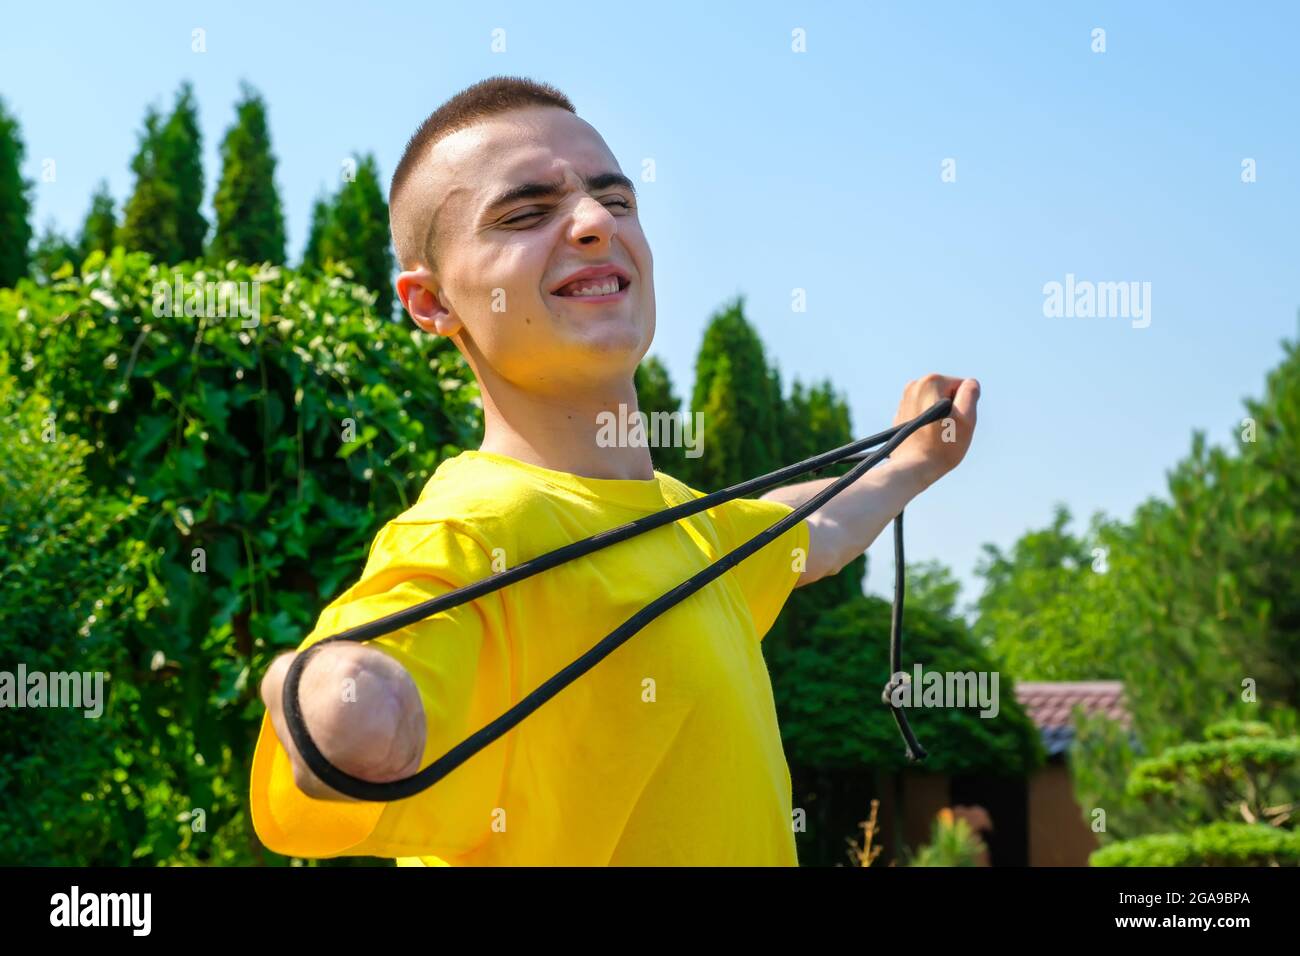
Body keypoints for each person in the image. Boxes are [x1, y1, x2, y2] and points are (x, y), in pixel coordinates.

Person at [252, 75, 980, 866]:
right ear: (431, 304)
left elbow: (817, 527)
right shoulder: (470, 531)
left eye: (617, 201)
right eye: (526, 214)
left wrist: (913, 461)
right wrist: (333, 700)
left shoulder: (691, 524)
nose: (596, 223)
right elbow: (361, 694)